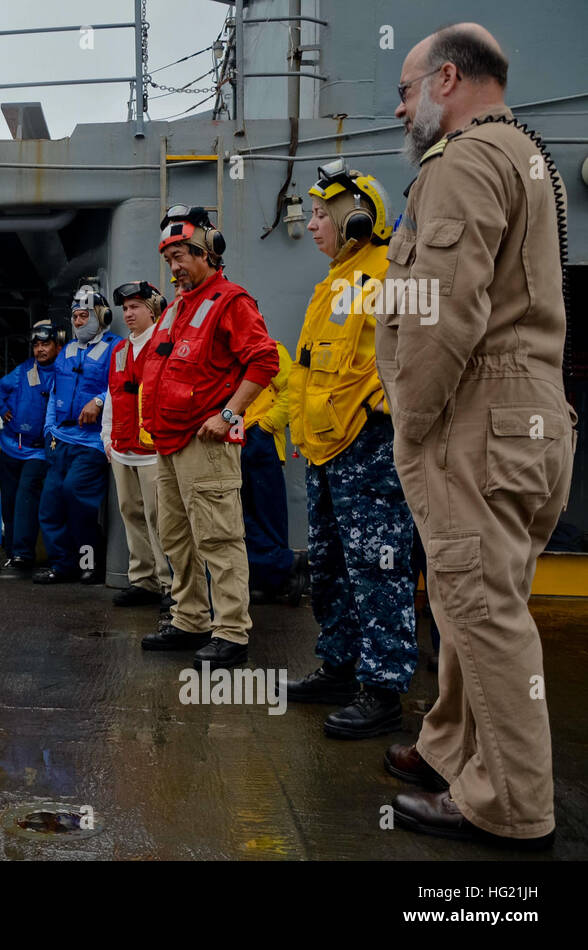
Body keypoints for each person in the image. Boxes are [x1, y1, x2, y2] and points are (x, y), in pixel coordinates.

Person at [380, 24, 574, 848]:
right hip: (527, 417)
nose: (400, 107)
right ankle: (449, 749)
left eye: (406, 89)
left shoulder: (460, 162)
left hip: (475, 416)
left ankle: (509, 807)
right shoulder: (523, 154)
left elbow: (441, 310)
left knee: (483, 611)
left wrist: (411, 423)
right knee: (471, 600)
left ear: (448, 79)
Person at [283, 161, 420, 739]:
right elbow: (310, 370)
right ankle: (339, 668)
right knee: (331, 565)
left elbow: (417, 355)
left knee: (377, 566)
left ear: (355, 219)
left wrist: (382, 413)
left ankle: (383, 691)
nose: (312, 224)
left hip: (368, 448)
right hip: (324, 450)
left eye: (321, 215)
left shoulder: (391, 273)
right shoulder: (332, 282)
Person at [138, 206, 279, 669]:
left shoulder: (231, 301)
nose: (174, 267)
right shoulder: (177, 308)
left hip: (206, 440)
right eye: (169, 259)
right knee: (176, 536)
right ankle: (190, 619)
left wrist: (228, 414)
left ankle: (232, 632)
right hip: (169, 442)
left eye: (180, 256)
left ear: (208, 252)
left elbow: (264, 361)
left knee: (218, 538)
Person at [34, 285, 120, 585]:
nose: (79, 322)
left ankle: (89, 563)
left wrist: (99, 401)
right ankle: (62, 565)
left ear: (101, 316)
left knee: (77, 498)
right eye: (75, 317)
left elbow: (122, 385)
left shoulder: (115, 348)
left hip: (91, 442)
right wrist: (49, 429)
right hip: (60, 440)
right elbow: (54, 393)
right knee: (50, 504)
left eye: (85, 316)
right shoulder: (67, 351)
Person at [101, 280, 173, 608]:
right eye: (126, 309)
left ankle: (170, 583)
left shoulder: (164, 344)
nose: (128, 314)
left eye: (135, 307)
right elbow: (113, 396)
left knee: (161, 517)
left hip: (153, 451)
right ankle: (144, 580)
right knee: (130, 512)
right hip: (122, 448)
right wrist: (106, 437)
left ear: (152, 309)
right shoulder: (119, 351)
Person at [240, 341, 305, 605]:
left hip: (261, 442)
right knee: (242, 518)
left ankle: (277, 581)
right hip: (235, 442)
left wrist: (266, 426)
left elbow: (294, 390)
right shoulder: (230, 353)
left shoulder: (272, 349)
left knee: (268, 518)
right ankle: (283, 567)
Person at [0, 320, 59, 571]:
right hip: (11, 446)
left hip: (38, 451)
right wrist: (3, 408)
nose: (40, 349)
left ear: (57, 346)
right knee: (9, 501)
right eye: (36, 345)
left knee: (26, 497)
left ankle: (23, 553)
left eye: (45, 344)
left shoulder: (63, 371)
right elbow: (1, 388)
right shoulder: (23, 370)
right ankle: (12, 552)